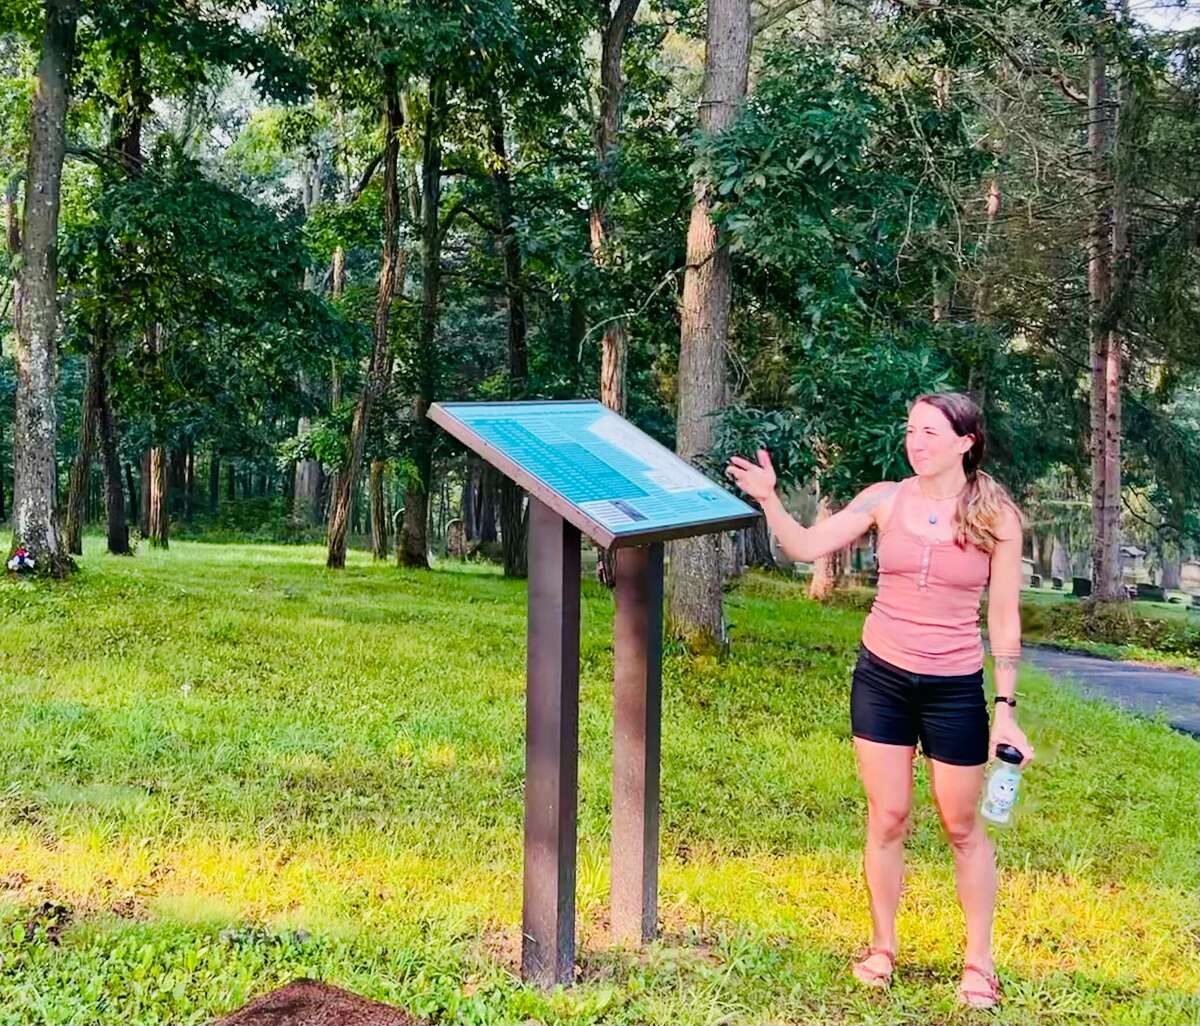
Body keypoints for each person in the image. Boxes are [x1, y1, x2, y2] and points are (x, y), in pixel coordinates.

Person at [725, 391, 1033, 1010]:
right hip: (883, 678)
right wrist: (768, 499)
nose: (915, 442)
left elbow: (1003, 618)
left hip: (954, 686)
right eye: (910, 430)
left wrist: (1005, 707)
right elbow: (805, 547)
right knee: (887, 817)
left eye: (928, 432)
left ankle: (979, 963)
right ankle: (882, 946)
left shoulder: (997, 515)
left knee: (962, 825)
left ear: (965, 442)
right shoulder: (884, 499)